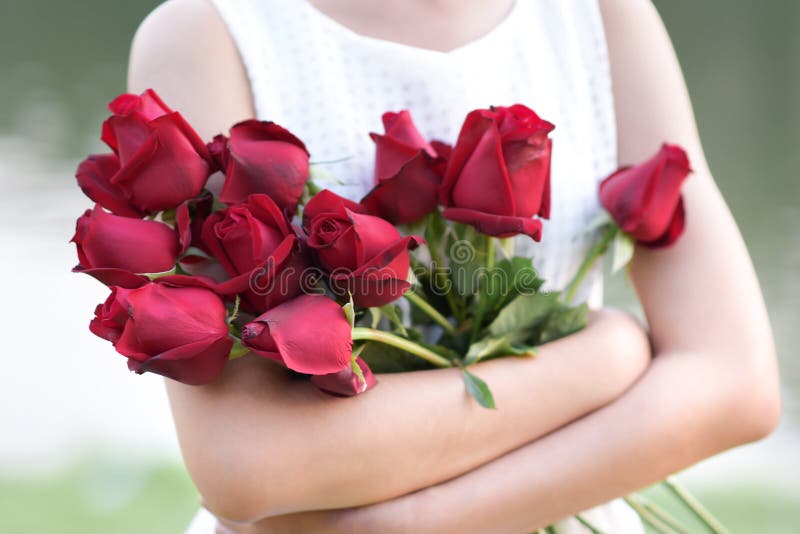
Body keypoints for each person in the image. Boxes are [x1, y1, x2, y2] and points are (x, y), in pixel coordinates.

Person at [127, 0, 781, 532]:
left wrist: (411, 524)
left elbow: (736, 386)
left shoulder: (600, 17)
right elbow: (247, 465)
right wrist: (604, 359)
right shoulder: (212, 33)